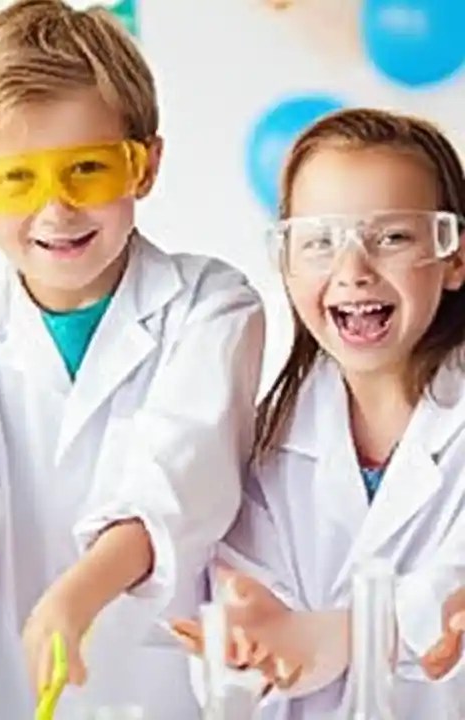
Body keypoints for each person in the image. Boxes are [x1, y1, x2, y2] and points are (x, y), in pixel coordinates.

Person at [0, 1, 267, 717]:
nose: (55, 210)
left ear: (145, 166)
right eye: (16, 180)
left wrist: (75, 597)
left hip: (162, 696)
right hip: (3, 694)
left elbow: (180, 477)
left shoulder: (211, 306)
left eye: (87, 170)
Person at [172, 108, 465, 718]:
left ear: (454, 258)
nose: (353, 271)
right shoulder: (268, 445)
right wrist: (247, 650)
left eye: (392, 237)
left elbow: (450, 593)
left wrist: (340, 635)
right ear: (286, 263)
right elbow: (243, 645)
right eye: (319, 242)